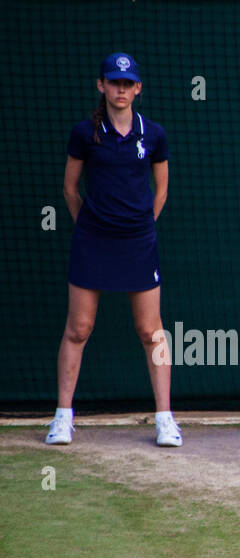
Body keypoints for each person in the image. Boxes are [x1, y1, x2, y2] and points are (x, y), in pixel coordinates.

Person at [47, 53, 180, 448]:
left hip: (139, 243)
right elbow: (71, 190)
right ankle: (62, 418)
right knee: (79, 328)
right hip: (93, 243)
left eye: (128, 83)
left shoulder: (153, 135)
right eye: (114, 82)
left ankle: (164, 420)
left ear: (137, 89)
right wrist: (92, 226)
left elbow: (162, 190)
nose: (120, 89)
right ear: (101, 86)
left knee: (151, 331)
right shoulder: (84, 134)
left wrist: (140, 226)